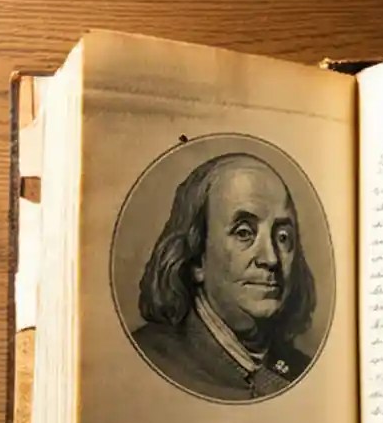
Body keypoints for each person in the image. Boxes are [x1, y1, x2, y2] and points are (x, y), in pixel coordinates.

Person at [132, 152, 316, 402]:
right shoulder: (151, 360)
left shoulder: (301, 370)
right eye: (244, 233)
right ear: (197, 258)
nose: (271, 259)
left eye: (283, 237)